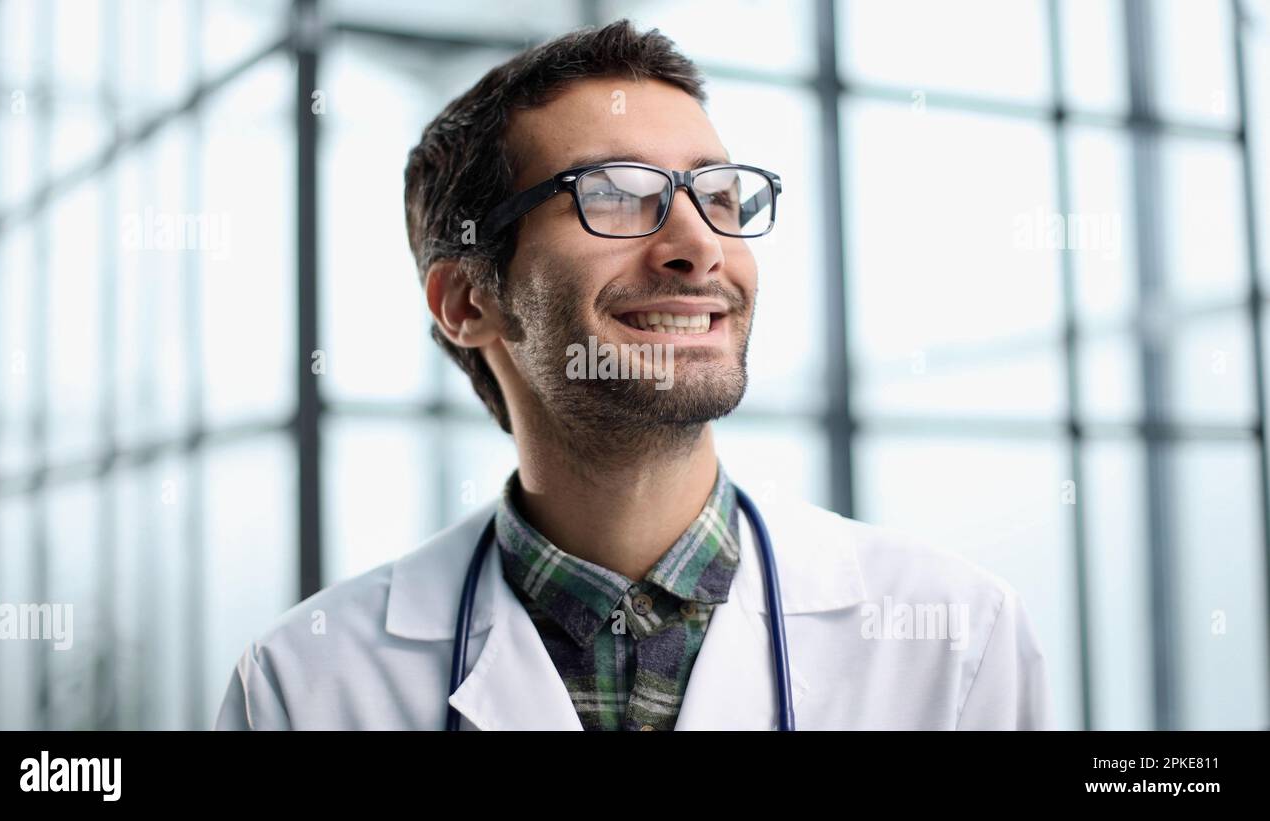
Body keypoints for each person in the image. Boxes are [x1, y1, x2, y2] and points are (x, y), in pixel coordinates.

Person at [213, 20, 1053, 731]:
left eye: (718, 196)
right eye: (614, 193)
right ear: (468, 300)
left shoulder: (955, 643)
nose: (701, 247)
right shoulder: (303, 686)